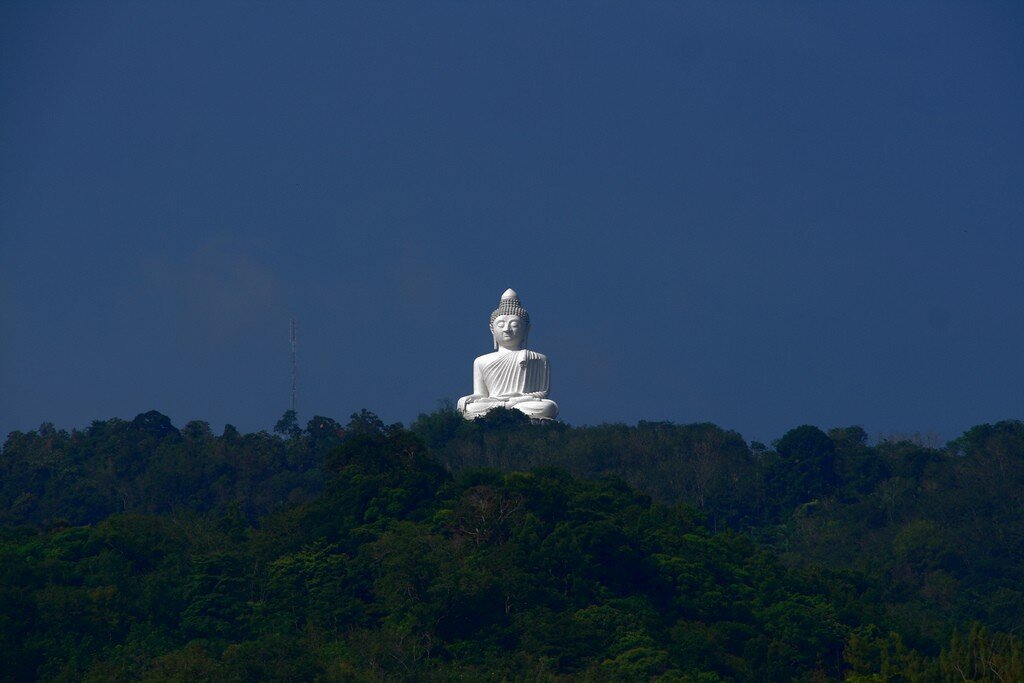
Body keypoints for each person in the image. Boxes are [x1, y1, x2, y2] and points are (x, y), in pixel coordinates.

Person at [457, 288, 558, 420]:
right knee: (467, 407)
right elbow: (481, 394)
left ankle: (504, 410)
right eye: (501, 324)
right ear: (492, 329)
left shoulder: (539, 359)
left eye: (514, 324)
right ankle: (503, 409)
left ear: (527, 329)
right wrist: (468, 399)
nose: (507, 329)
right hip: (492, 403)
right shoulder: (481, 361)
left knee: (549, 407)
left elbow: (542, 393)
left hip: (522, 403)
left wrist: (516, 400)